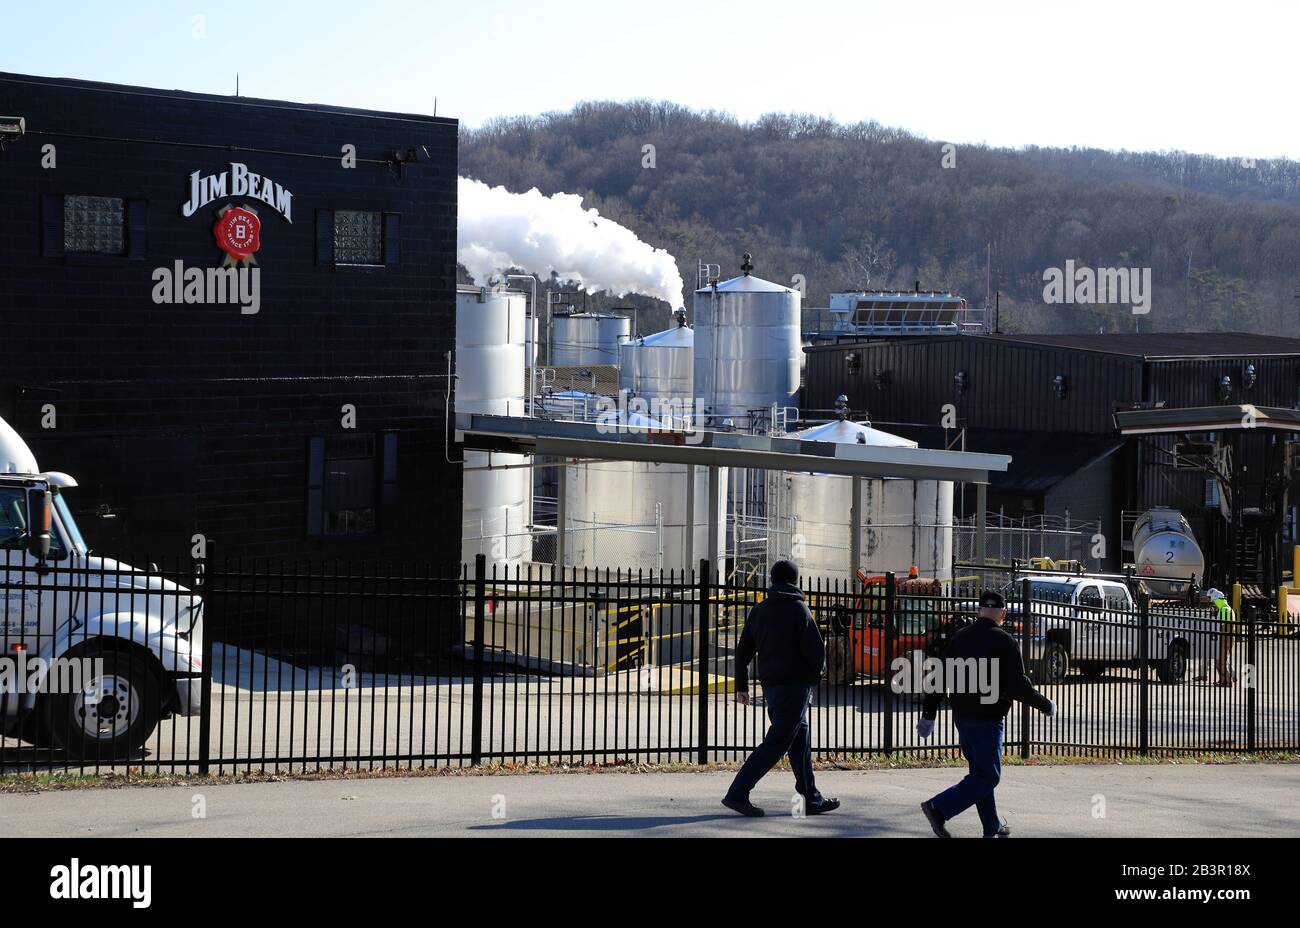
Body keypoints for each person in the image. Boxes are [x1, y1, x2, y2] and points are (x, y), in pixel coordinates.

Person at [917, 589, 1056, 838]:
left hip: (962, 716)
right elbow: (1017, 686)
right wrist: (1045, 704)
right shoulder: (1005, 641)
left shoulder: (959, 638)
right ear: (1003, 614)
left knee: (980, 773)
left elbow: (940, 677)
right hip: (988, 719)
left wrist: (929, 714)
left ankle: (992, 825)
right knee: (989, 776)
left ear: (979, 611)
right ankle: (938, 808)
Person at [721, 559, 839, 817]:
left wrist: (742, 685)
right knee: (777, 743)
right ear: (795, 581)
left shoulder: (760, 610)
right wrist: (813, 679)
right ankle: (737, 792)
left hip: (771, 687)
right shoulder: (800, 610)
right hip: (796, 687)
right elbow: (816, 653)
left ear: (772, 581)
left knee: (799, 742)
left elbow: (743, 652)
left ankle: (811, 798)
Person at [1204, 587, 1236, 686]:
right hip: (1227, 638)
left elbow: (1221, 626)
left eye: (1212, 600)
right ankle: (1223, 680)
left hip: (1225, 639)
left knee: (1220, 662)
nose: (1212, 603)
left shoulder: (1224, 610)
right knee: (1220, 661)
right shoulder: (1226, 608)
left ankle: (1227, 680)